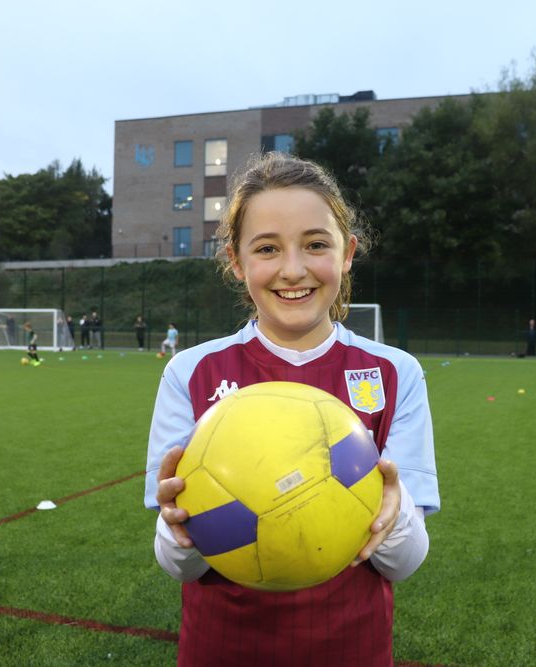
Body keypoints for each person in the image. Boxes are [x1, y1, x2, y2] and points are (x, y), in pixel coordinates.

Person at [145, 152, 439, 666]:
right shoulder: (191, 373)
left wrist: (393, 519)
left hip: (352, 649)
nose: (293, 269)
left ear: (347, 253)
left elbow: (403, 564)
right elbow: (180, 568)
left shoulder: (395, 374)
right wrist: (180, 531)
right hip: (222, 649)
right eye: (267, 248)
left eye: (315, 244)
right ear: (236, 261)